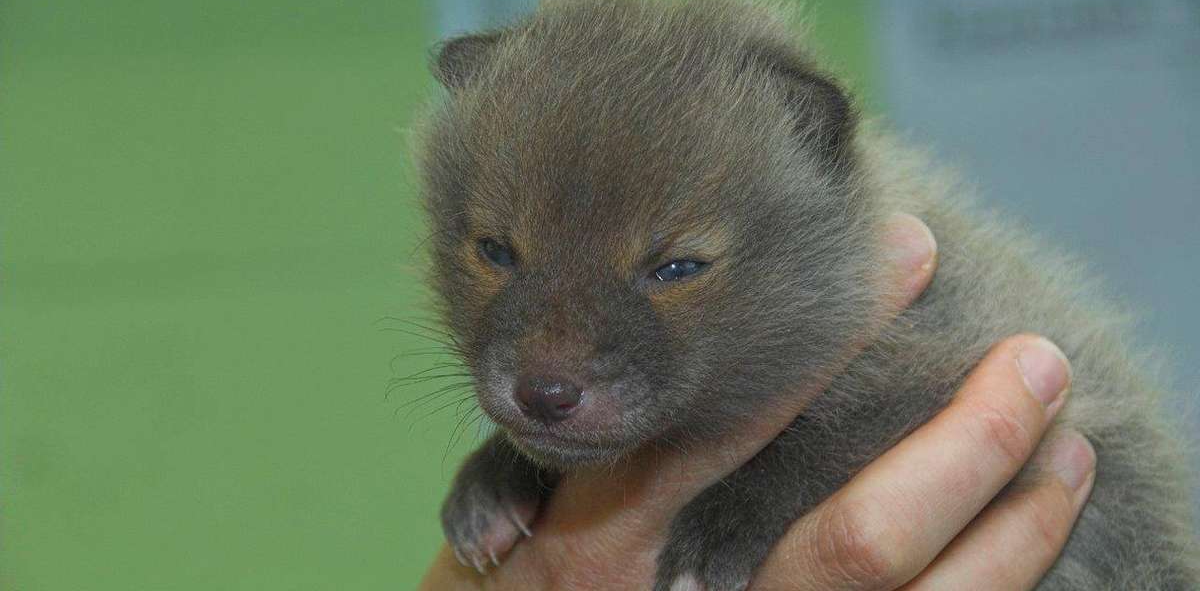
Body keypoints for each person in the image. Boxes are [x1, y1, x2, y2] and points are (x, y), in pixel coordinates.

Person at [419, 213, 1094, 590]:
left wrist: (765, 497)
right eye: (499, 254)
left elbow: (916, 397)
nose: (547, 374)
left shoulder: (875, 303)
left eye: (676, 269)